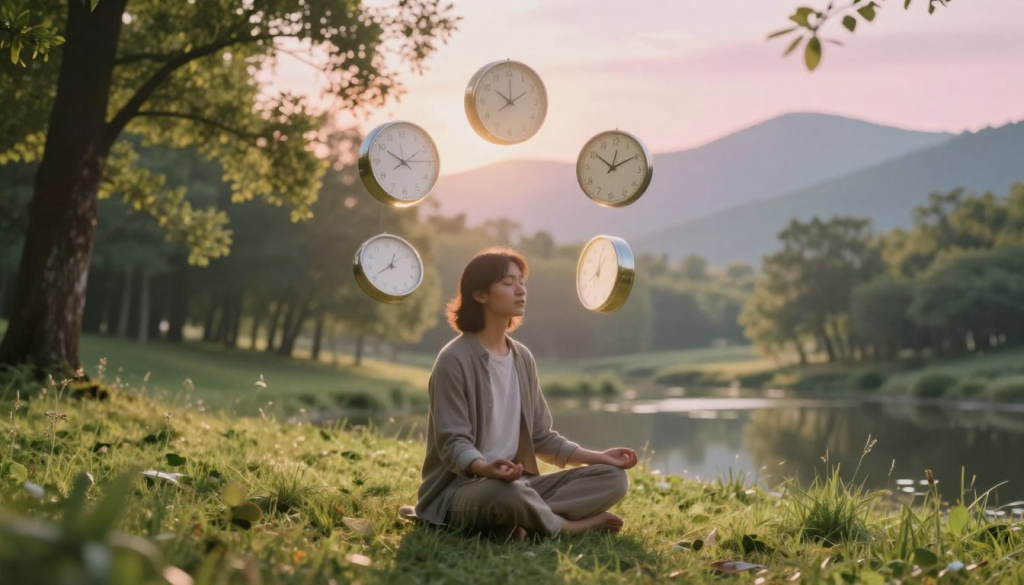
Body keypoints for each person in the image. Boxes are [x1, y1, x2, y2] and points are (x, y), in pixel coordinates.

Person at [413, 246, 637, 540]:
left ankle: (524, 522)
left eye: (521, 281)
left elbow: (542, 437)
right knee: (504, 493)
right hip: (464, 491)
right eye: (508, 283)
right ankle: (565, 526)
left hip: (520, 486)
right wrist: (486, 468)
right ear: (479, 295)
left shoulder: (522, 358)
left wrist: (599, 457)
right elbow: (453, 444)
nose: (520, 290)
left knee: (613, 478)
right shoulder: (453, 360)